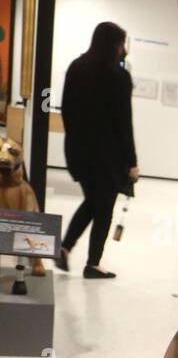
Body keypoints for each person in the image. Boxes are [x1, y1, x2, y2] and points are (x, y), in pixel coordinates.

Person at [56, 20, 139, 279]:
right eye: (122, 44)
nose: (123, 49)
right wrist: (132, 160)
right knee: (103, 208)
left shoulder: (76, 67)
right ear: (115, 45)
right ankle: (92, 263)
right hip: (109, 155)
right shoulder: (118, 76)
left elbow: (66, 112)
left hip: (79, 151)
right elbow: (124, 122)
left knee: (94, 201)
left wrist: (77, 141)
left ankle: (65, 248)